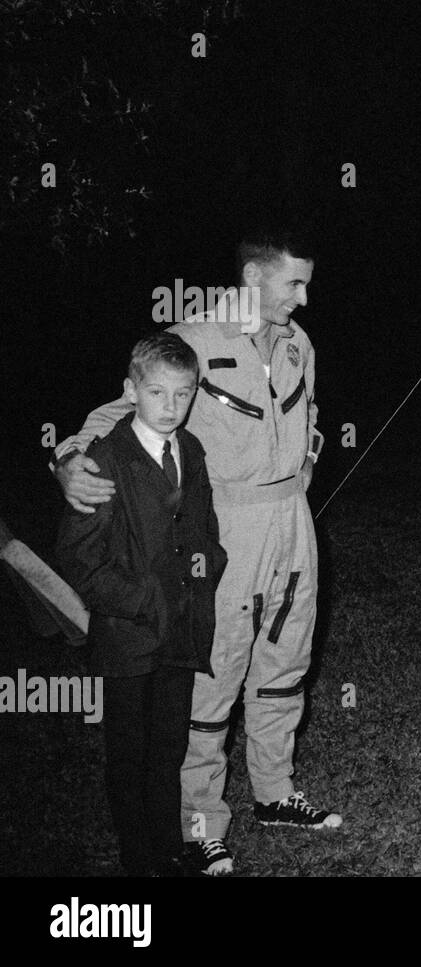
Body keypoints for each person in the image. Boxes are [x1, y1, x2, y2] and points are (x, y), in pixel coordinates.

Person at [52, 227, 336, 876]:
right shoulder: (194, 340)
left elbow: (310, 417)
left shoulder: (299, 343)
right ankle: (202, 821)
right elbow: (118, 411)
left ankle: (274, 790)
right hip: (228, 520)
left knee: (285, 658)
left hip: (293, 520)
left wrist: (301, 472)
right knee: (215, 671)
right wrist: (70, 458)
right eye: (294, 282)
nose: (305, 297)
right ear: (253, 280)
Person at [55, 333, 228, 876]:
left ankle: (169, 847)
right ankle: (138, 857)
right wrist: (145, 598)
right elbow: (80, 559)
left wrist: (207, 569)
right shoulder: (105, 459)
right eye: (157, 393)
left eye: (184, 393)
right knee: (129, 753)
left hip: (180, 632)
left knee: (170, 747)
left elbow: (203, 528)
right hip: (128, 638)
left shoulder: (192, 449)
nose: (171, 407)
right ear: (131, 391)